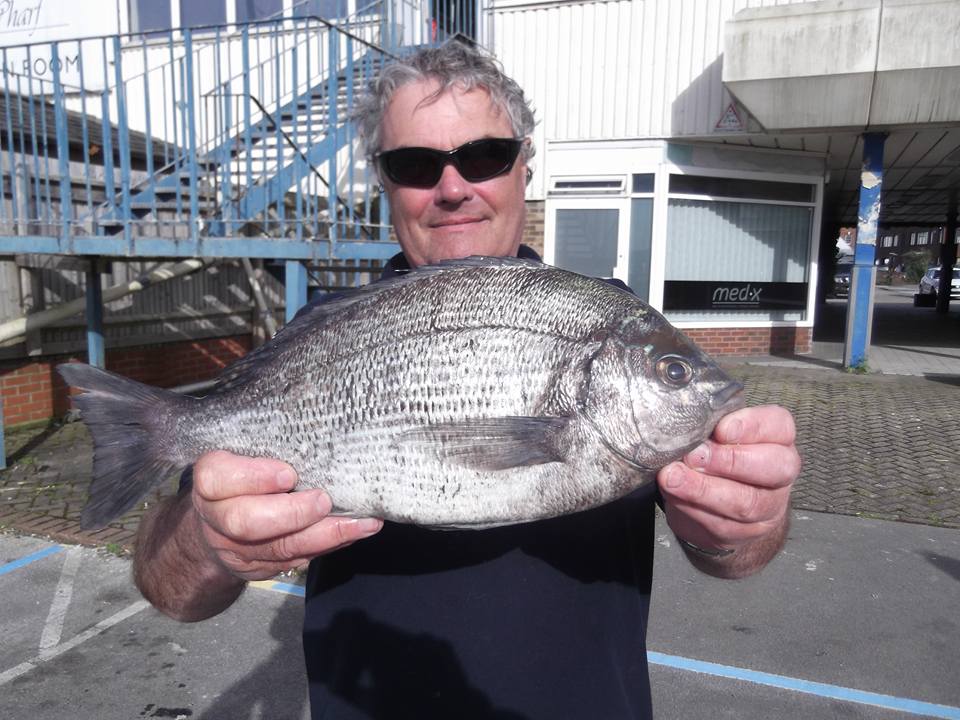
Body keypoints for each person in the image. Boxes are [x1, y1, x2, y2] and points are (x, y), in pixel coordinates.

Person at [133, 42, 799, 718]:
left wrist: (739, 525)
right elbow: (170, 591)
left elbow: (734, 555)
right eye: (414, 165)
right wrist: (208, 541)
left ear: (524, 165)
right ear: (384, 182)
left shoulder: (614, 316)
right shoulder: (318, 334)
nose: (453, 187)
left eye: (484, 156)